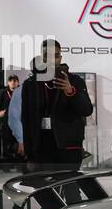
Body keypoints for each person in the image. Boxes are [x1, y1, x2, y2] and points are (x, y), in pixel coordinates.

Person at [8, 39, 94, 171]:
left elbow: (86, 110)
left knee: (68, 184)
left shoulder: (75, 81)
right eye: (46, 56)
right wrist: (29, 154)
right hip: (40, 148)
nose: (51, 60)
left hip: (68, 148)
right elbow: (26, 119)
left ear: (60, 58)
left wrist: (70, 90)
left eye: (56, 55)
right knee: (41, 184)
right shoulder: (30, 85)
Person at [0, 73, 20, 161]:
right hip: (6, 122)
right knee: (7, 143)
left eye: (15, 81)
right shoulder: (2, 92)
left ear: (18, 82)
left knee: (18, 143)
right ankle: (7, 163)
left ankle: (18, 162)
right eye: (11, 80)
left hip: (19, 122)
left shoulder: (22, 92)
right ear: (8, 83)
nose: (13, 82)